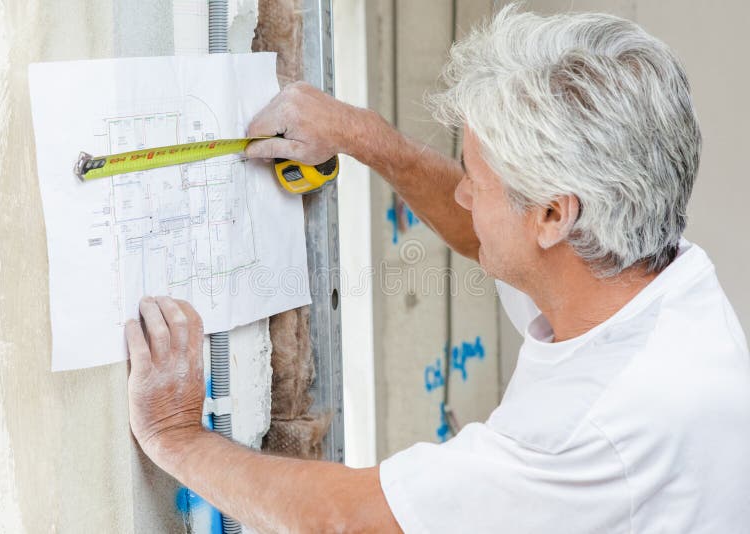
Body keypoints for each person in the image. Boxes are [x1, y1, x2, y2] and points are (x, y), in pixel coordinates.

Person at [124, 7, 750, 533]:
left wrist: (178, 435)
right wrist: (365, 137)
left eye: (477, 180)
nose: (461, 197)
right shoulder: (638, 270)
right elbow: (492, 242)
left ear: (555, 215)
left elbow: (352, 521)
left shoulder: (599, 427)